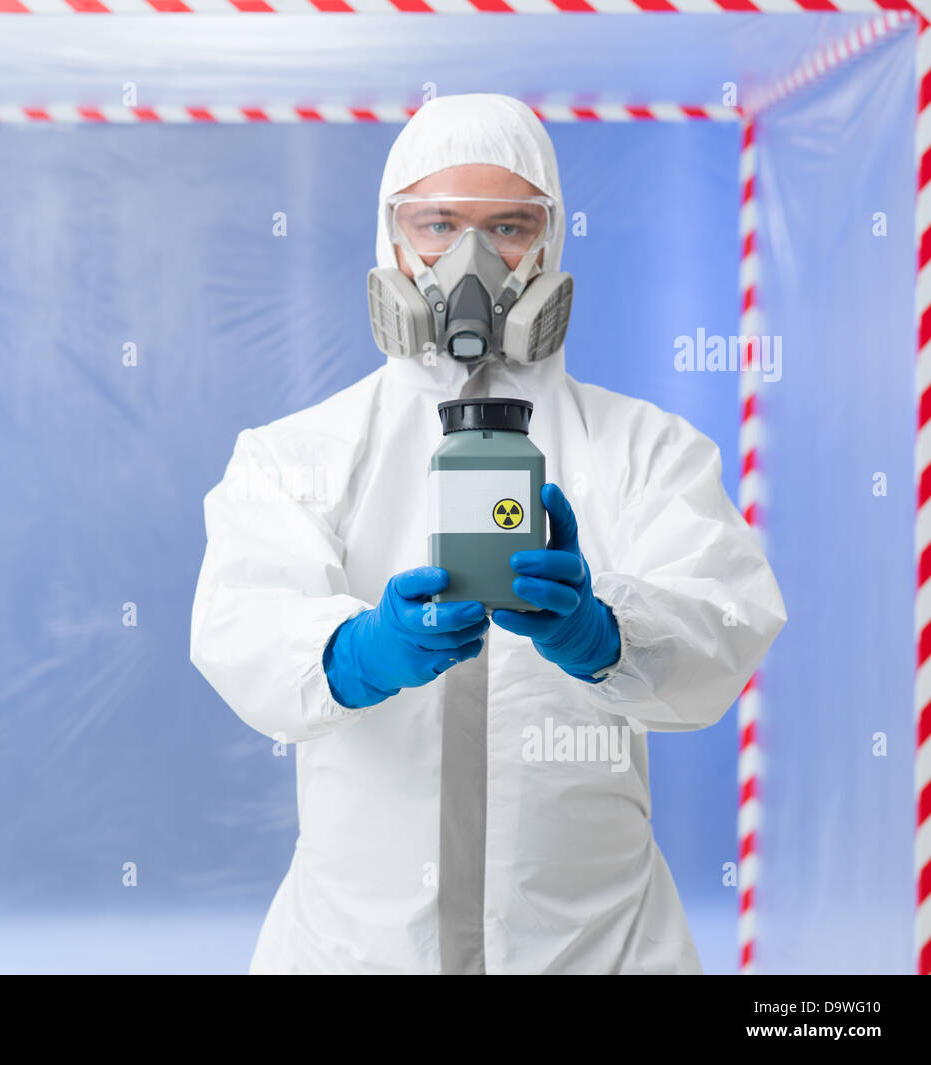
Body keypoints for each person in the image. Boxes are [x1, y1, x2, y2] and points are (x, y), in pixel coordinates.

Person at [189, 93, 787, 975]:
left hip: (598, 946)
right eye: (436, 224)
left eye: (509, 227)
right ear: (390, 241)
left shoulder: (644, 451)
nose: (471, 261)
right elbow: (237, 625)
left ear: (549, 245)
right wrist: (355, 653)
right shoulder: (299, 454)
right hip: (355, 948)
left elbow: (727, 618)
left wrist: (608, 631)